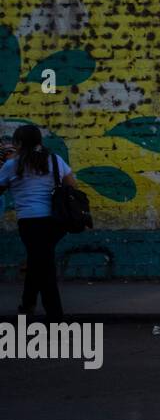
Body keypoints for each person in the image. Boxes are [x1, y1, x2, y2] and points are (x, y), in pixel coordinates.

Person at [0, 125, 76, 321]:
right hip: (55, 222)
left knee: (44, 267)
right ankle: (27, 304)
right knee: (38, 261)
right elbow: (71, 185)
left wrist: (5, 162)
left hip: (30, 223)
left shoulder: (12, 165)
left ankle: (55, 316)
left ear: (18, 143)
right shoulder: (54, 160)